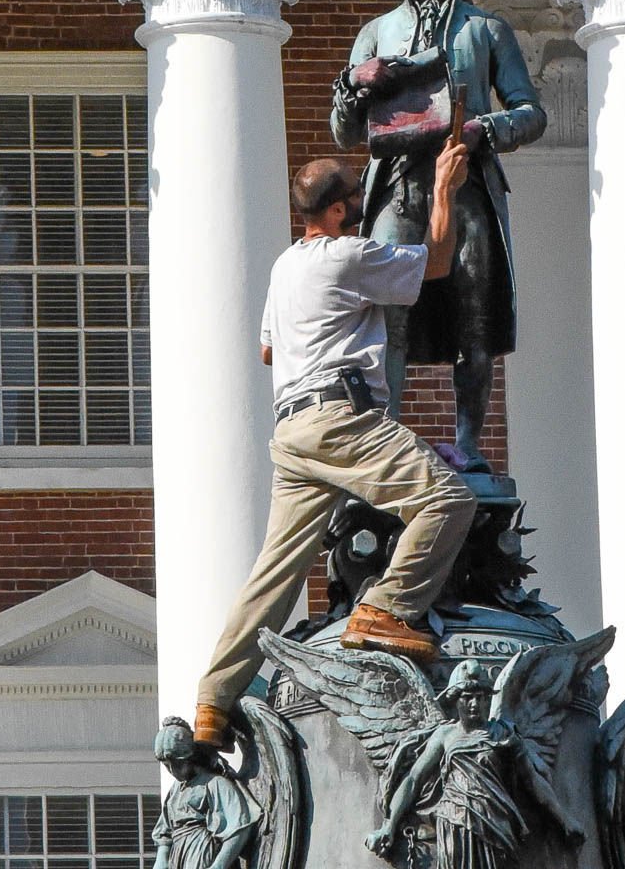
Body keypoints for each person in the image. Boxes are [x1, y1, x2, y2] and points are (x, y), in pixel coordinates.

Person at [193, 142, 478, 749]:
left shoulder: (285, 266)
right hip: (336, 417)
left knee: (274, 575)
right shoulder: (346, 257)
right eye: (354, 193)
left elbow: (270, 350)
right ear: (341, 210)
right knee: (447, 500)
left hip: (292, 431)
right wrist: (446, 190)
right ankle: (386, 607)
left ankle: (213, 703)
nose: (360, 199)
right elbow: (435, 263)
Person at [331, 0, 547, 472]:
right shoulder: (377, 33)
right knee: (386, 317)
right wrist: (355, 88)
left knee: (475, 319)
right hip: (399, 186)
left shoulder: (486, 28)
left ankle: (469, 446)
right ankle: (386, 446)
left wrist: (487, 129)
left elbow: (531, 112)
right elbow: (345, 131)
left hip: (467, 181)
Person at [365, 659, 527, 869]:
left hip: (495, 819)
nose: (474, 704)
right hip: (455, 819)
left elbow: (531, 776)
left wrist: (564, 818)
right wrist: (388, 825)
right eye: (467, 698)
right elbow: (414, 779)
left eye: (481, 698)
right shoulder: (445, 735)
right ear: (455, 701)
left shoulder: (503, 733)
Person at [152, 716, 261, 869]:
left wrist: (219, 865)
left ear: (191, 757)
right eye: (166, 765)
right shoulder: (176, 789)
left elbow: (239, 828)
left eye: (177, 763)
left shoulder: (215, 783)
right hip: (177, 858)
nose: (172, 771)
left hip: (201, 853)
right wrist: (161, 858)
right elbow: (164, 831)